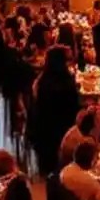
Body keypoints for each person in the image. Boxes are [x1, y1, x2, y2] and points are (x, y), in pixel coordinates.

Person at [31, 45, 81, 174]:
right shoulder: (67, 81)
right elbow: (74, 106)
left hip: (44, 129)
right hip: (64, 128)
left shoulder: (42, 81)